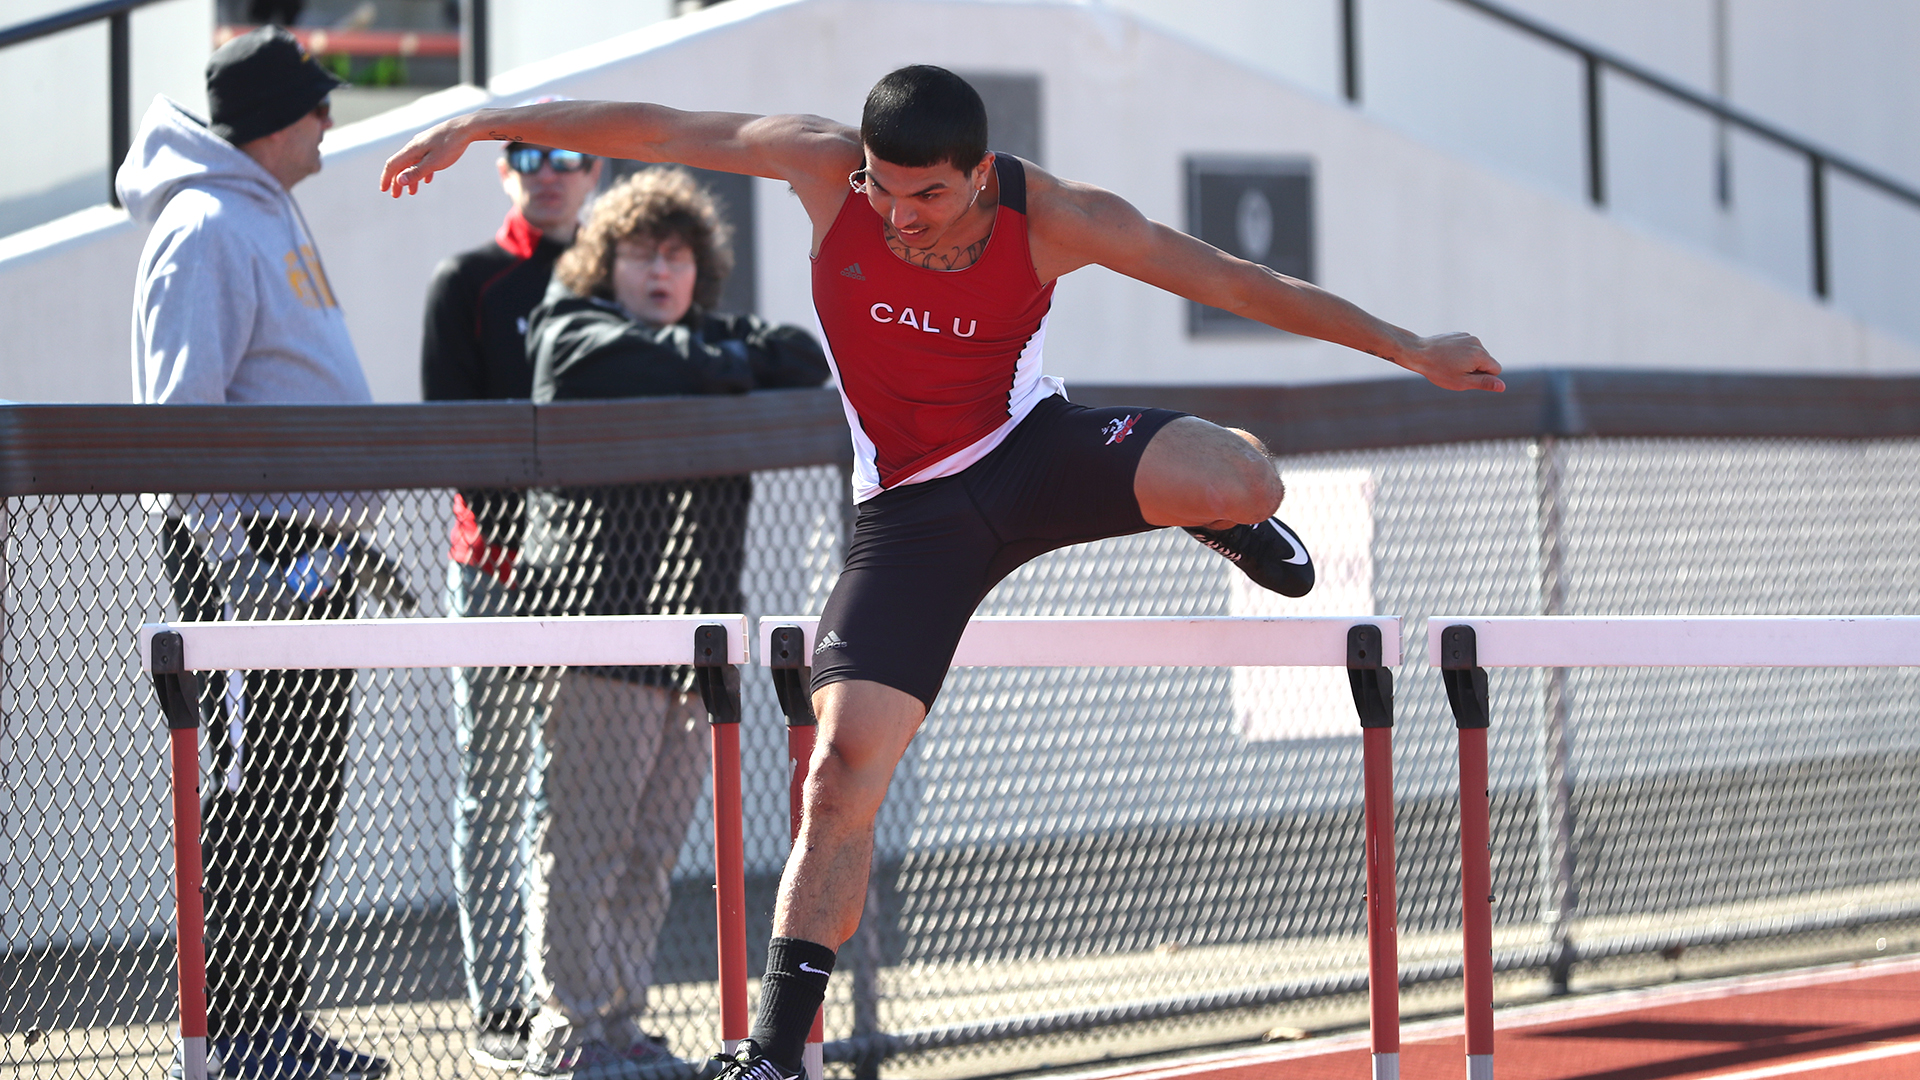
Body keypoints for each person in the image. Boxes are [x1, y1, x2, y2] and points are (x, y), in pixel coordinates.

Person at [381, 64, 1504, 1080]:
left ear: (981, 175)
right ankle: (773, 1053)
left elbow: (1229, 279)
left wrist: (1411, 348)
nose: (903, 220)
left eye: (931, 197)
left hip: (1032, 456)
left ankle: (1215, 520)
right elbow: (661, 122)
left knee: (1249, 479)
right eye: (885, 192)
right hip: (912, 515)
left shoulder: (1058, 217)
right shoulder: (826, 170)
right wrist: (487, 120)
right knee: (841, 768)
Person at [122, 26, 400, 1080]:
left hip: (307, 558)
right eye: (319, 103)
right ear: (279, 121)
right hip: (248, 557)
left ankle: (273, 1023)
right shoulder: (202, 224)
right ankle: (235, 1036)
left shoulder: (259, 209)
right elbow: (179, 417)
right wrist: (239, 569)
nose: (331, 118)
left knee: (302, 784)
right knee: (249, 789)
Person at [513, 167, 830, 1078]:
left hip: (695, 646)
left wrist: (716, 360)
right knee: (583, 843)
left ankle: (619, 1021)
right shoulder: (573, 328)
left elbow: (800, 356)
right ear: (605, 262)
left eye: (678, 256)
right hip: (600, 633)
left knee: (651, 851)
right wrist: (723, 371)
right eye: (642, 253)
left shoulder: (709, 334)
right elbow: (619, 361)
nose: (661, 270)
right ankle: (566, 1033)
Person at [420, 127, 604, 1072]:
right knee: (492, 789)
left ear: (594, 171)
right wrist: (524, 548)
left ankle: (568, 1003)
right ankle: (500, 1007)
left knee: (572, 794)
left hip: (595, 580)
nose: (548, 176)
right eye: (528, 160)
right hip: (492, 572)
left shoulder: (621, 283)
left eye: (565, 158)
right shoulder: (470, 283)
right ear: (505, 173)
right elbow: (455, 435)